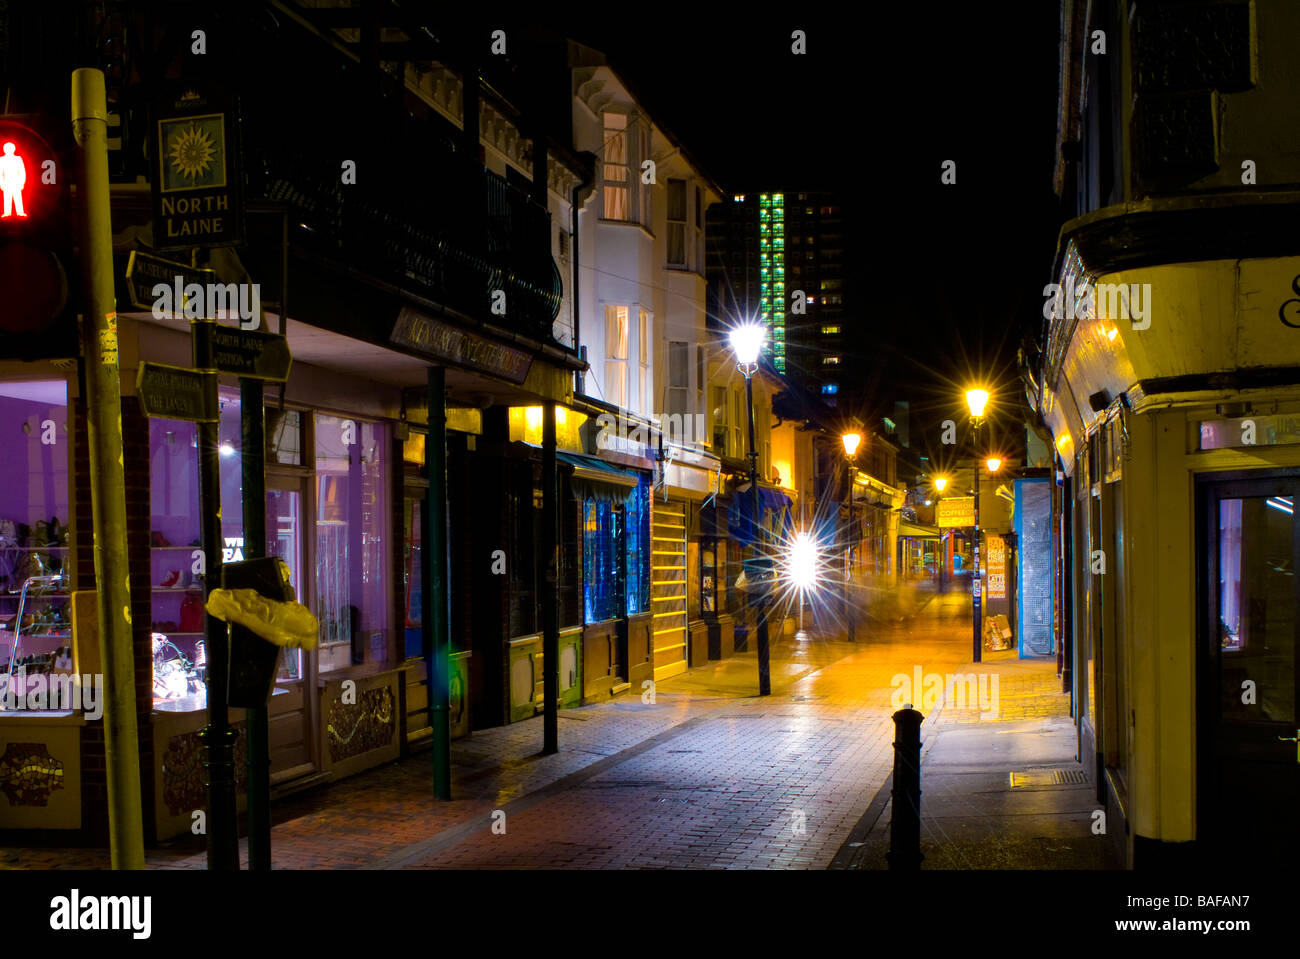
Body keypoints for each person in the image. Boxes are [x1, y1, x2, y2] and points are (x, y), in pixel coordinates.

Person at [0, 142, 27, 218]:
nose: (9, 150)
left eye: (10, 148)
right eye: (7, 148)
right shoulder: (1, 159)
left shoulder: (18, 159)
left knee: (18, 197)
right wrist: (1, 183)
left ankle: (20, 212)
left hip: (16, 182)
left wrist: (22, 182)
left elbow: (22, 171)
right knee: (7, 198)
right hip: (7, 183)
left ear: (13, 149)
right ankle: (7, 213)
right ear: (4, 149)